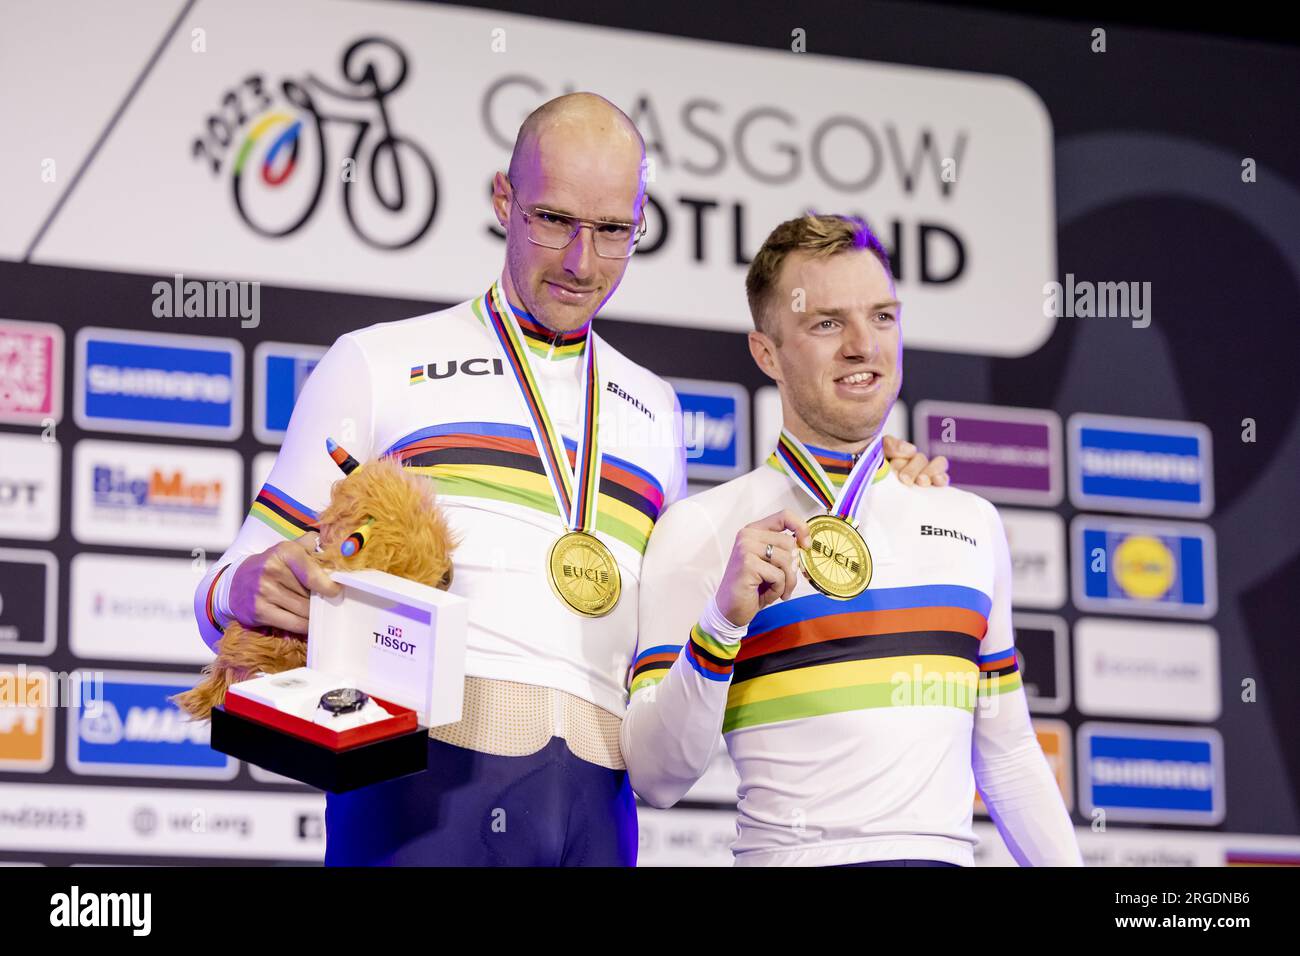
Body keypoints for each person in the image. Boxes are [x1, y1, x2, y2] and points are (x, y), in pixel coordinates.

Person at [192, 96, 946, 866]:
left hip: (598, 805)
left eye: (613, 230)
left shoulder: (654, 408)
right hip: (418, 786)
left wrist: (882, 477)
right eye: (554, 220)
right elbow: (232, 584)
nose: (583, 261)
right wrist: (240, 588)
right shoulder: (378, 363)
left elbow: (690, 590)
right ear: (503, 201)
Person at [621, 213, 1082, 867]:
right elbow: (655, 776)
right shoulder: (704, 531)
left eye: (884, 316)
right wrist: (720, 624)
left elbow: (1007, 753)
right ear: (767, 353)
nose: (864, 345)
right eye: (827, 322)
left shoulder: (971, 523)